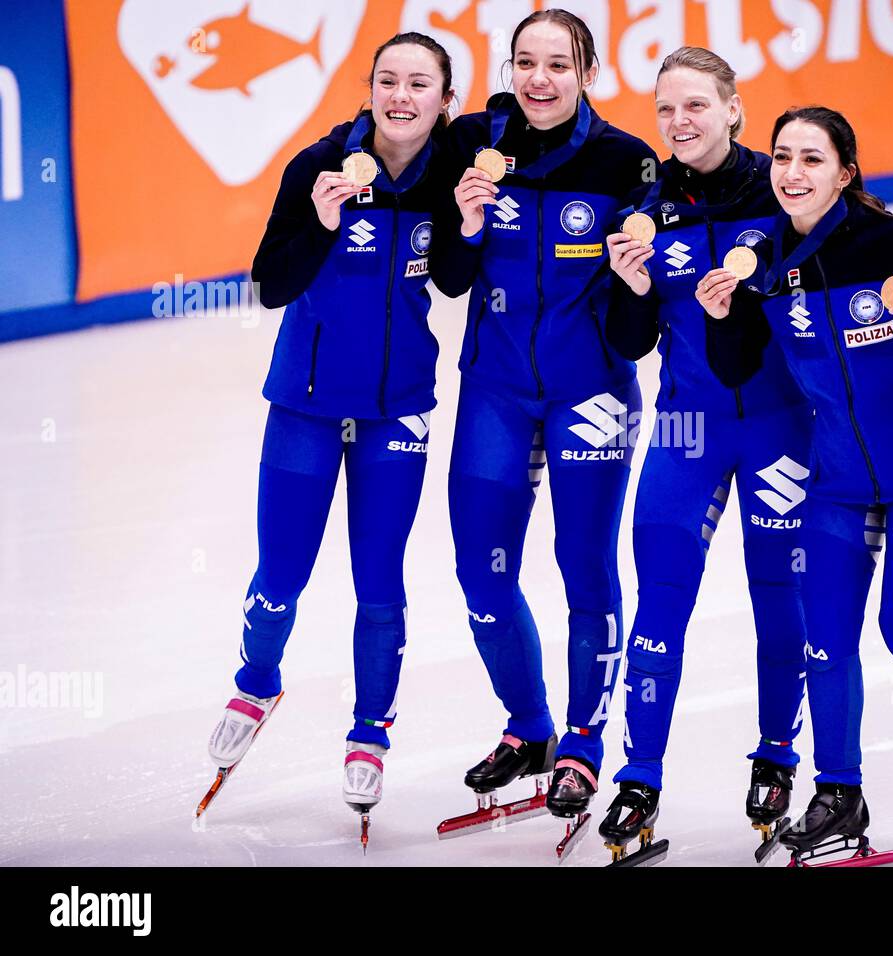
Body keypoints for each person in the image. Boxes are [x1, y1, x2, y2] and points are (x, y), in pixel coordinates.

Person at [699, 107, 893, 864]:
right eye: (782, 158)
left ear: (846, 173)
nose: (792, 173)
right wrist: (724, 316)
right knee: (824, 641)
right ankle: (839, 794)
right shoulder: (761, 263)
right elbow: (737, 368)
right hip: (835, 484)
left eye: (812, 159)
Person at [205, 33, 467, 839]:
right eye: (387, 79)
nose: (400, 95)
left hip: (399, 411)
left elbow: (454, 278)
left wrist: (463, 220)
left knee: (379, 581)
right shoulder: (317, 165)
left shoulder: (451, 173)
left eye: (419, 83)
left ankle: (370, 730)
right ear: (371, 89)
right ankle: (256, 680)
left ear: (442, 100)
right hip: (306, 407)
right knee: (280, 574)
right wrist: (318, 225)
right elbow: (268, 282)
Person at [437, 9, 658, 830]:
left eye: (557, 65)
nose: (539, 79)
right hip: (494, 389)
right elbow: (452, 281)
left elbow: (642, 329)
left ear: (586, 71)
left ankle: (582, 738)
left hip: (590, 393)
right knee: (480, 575)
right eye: (525, 62)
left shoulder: (626, 161)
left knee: (584, 566)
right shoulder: (471, 141)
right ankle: (527, 725)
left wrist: (634, 283)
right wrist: (462, 222)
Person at [594, 47, 810, 859]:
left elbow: (880, 247)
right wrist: (634, 286)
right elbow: (629, 339)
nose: (680, 123)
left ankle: (777, 761)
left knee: (777, 594)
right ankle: (639, 778)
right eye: (665, 111)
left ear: (732, 108)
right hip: (686, 427)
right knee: (661, 598)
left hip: (783, 429)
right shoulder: (648, 201)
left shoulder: (782, 186)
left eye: (695, 106)